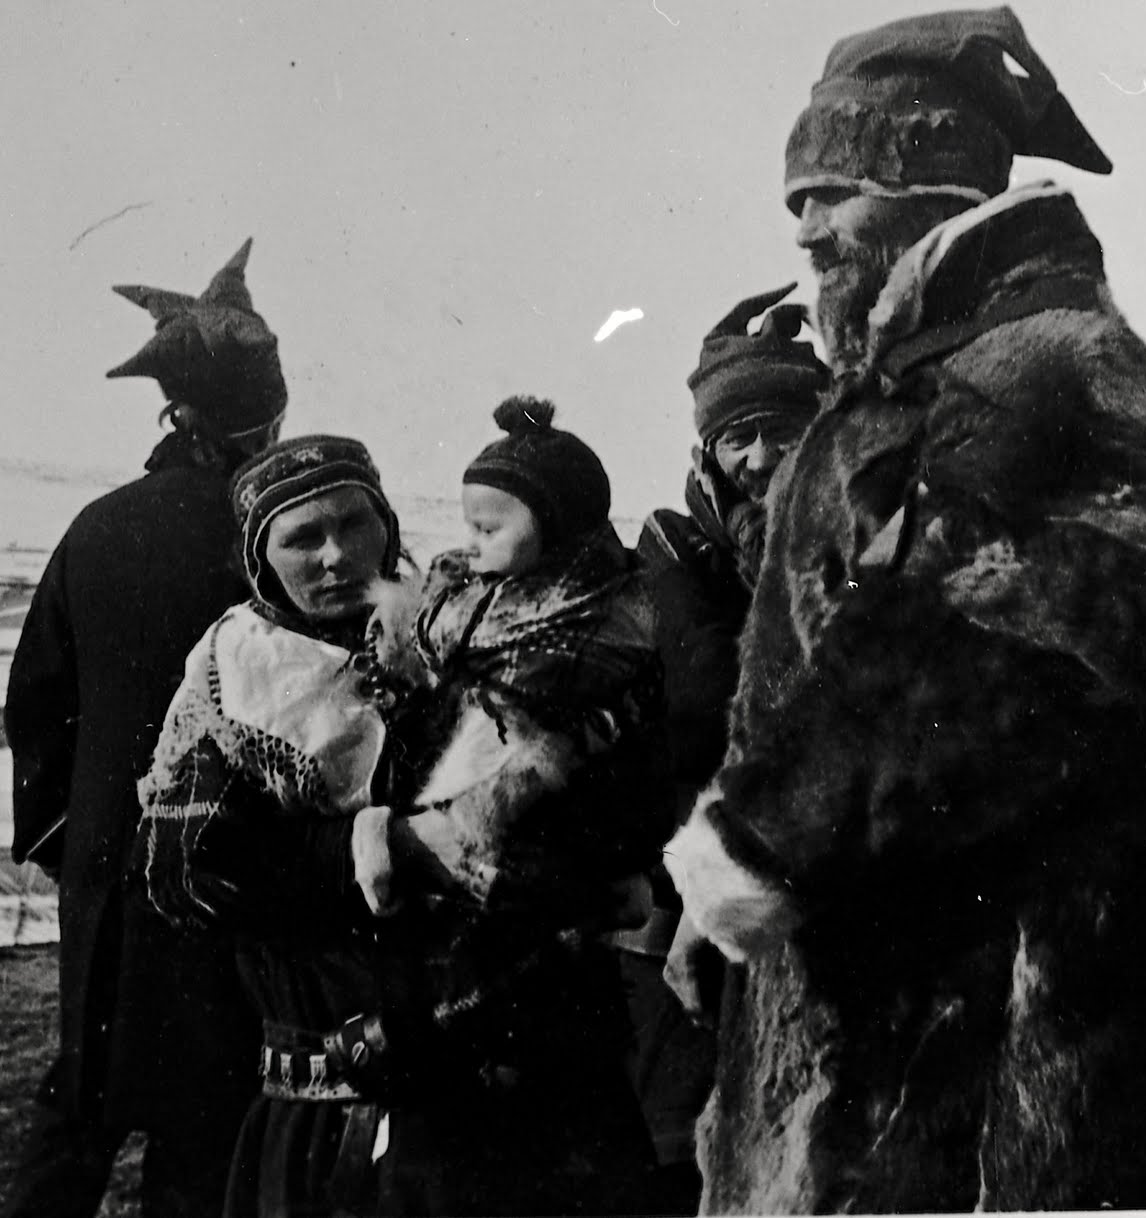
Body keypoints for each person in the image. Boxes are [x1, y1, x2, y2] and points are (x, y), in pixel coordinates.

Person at [667, 7, 1146, 1212]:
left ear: (923, 188)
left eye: (829, 193)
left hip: (994, 1041)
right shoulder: (926, 372)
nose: (803, 228)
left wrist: (751, 845)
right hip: (881, 1018)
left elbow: (1007, 640)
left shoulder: (1043, 360)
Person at [132, 433, 662, 1217]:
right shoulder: (236, 677)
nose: (337, 555)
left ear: (386, 522)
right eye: (302, 538)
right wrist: (393, 847)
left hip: (535, 1073)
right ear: (259, 556)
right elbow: (185, 874)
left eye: (355, 523)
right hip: (351, 1096)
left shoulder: (467, 623)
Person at [2, 240, 284, 1218]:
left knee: (82, 1099)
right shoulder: (280, 538)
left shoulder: (97, 525)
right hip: (224, 873)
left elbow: (34, 703)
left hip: (104, 868)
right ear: (268, 418)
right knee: (202, 1128)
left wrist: (61, 838)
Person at [624, 286, 829, 1212]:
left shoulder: (857, 541)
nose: (758, 459)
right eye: (735, 438)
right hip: (700, 870)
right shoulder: (676, 545)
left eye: (781, 431)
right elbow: (703, 705)